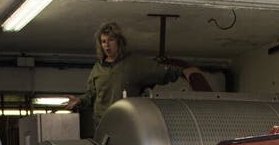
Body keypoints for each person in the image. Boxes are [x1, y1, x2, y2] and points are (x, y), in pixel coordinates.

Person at [63, 21, 208, 134]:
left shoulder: (134, 64)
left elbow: (162, 72)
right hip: (102, 126)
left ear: (119, 41)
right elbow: (91, 95)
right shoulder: (97, 69)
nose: (107, 45)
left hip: (127, 126)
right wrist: (79, 100)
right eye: (103, 41)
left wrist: (184, 71)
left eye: (111, 40)